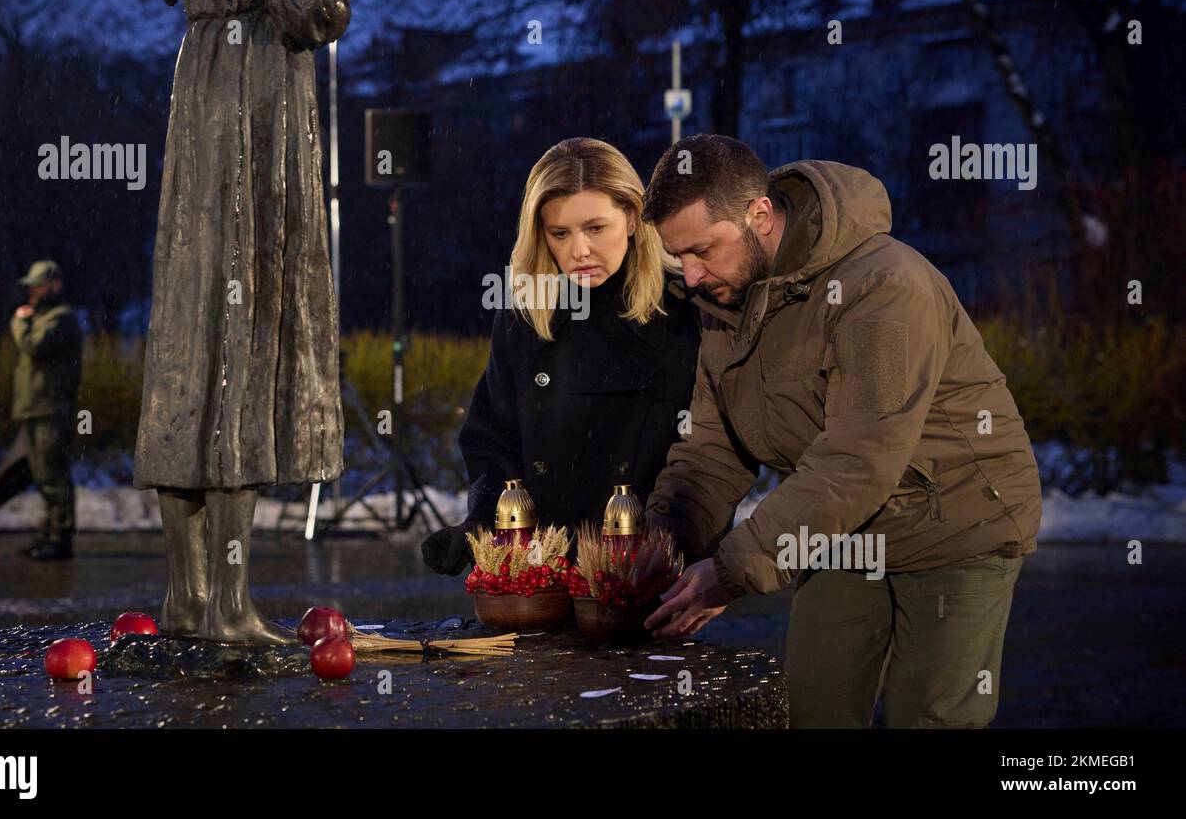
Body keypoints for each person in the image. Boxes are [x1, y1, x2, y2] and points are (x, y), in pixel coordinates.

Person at [640, 134, 1042, 728]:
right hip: (842, 532)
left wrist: (728, 572)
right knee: (812, 709)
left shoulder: (883, 287)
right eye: (680, 257)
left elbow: (858, 458)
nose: (692, 276)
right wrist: (660, 548)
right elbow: (711, 449)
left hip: (957, 524)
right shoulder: (727, 303)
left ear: (759, 214)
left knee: (927, 716)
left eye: (702, 250)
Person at [135, 0, 350, 644]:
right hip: (260, 84)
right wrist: (337, 10)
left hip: (196, 81)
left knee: (190, 325)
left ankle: (184, 595)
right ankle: (228, 602)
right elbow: (301, 0)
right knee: (246, 321)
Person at [422, 138, 700, 575]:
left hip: (649, 570)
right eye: (560, 233)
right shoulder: (525, 315)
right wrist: (481, 527)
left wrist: (679, 551)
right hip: (540, 573)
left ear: (631, 217)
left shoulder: (684, 311)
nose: (579, 251)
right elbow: (492, 441)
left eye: (595, 228)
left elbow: (706, 452)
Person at [9, 259, 83, 561]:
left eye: (38, 285)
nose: (33, 291)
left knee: (53, 473)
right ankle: (48, 532)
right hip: (34, 408)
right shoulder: (43, 316)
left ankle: (60, 538)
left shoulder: (61, 318)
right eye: (31, 286)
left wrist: (19, 321)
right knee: (41, 474)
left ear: (55, 285)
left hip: (52, 408)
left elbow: (33, 346)